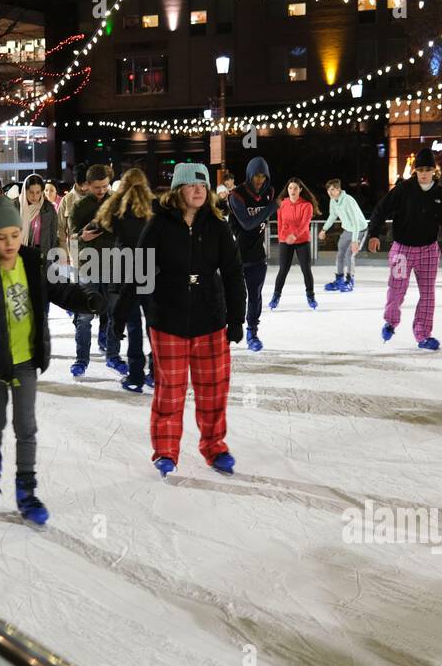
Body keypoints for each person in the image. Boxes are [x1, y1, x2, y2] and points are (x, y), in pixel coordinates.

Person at [0, 196, 102, 525]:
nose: (9, 243)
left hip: (26, 360)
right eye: (1, 237)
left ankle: (27, 491)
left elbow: (61, 290)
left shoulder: (34, 262)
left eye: (15, 234)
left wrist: (87, 299)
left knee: (26, 428)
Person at [136, 162, 245, 477]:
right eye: (191, 185)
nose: (198, 191)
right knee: (169, 391)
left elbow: (234, 273)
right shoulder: (158, 225)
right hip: (168, 320)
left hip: (210, 319)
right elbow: (140, 271)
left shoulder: (218, 225)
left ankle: (215, 447)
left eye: (203, 186)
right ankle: (166, 452)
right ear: (177, 190)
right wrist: (144, 310)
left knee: (213, 390)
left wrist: (237, 318)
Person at [364, 148, 442, 350]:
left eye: (427, 169)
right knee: (397, 290)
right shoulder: (404, 189)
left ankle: (423, 335)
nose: (423, 173)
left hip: (429, 251)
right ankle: (390, 321)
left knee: (428, 294)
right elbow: (381, 209)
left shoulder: (440, 194)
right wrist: (374, 234)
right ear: (415, 171)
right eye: (420, 169)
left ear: (434, 171)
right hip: (402, 251)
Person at [95, 167, 156, 392]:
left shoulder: (116, 206)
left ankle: (136, 375)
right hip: (150, 268)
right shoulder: (153, 206)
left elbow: (100, 224)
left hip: (125, 270)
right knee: (153, 325)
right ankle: (156, 374)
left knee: (132, 326)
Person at [226, 156, 279, 351]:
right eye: (256, 176)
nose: (259, 180)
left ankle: (252, 332)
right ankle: (229, 330)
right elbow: (248, 225)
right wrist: (273, 207)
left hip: (257, 257)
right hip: (236, 256)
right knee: (234, 296)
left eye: (263, 177)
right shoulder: (236, 196)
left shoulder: (269, 192)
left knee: (255, 296)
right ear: (249, 175)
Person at [68, 164, 115, 376]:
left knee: (112, 312)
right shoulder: (79, 206)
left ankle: (113, 356)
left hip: (114, 264)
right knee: (85, 315)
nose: (102, 190)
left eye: (105, 186)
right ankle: (81, 360)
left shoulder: (116, 202)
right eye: (97, 187)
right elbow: (73, 234)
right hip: (88, 265)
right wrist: (81, 236)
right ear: (87, 185)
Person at [269, 178, 319, 310]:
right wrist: (282, 237)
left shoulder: (306, 205)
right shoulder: (283, 204)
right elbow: (279, 221)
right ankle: (276, 296)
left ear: (300, 190)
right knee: (283, 270)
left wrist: (295, 235)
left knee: (306, 269)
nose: (292, 190)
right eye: (290, 188)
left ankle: (310, 296)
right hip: (286, 241)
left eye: (295, 188)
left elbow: (304, 224)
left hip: (302, 241)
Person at [321, 178, 368, 292]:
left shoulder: (348, 200)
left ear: (338, 189)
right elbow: (332, 216)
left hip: (359, 230)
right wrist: (324, 229)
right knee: (340, 254)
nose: (329, 192)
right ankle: (339, 280)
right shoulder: (333, 200)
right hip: (347, 230)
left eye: (332, 190)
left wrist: (355, 241)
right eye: (328, 190)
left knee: (349, 255)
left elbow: (356, 222)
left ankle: (349, 281)